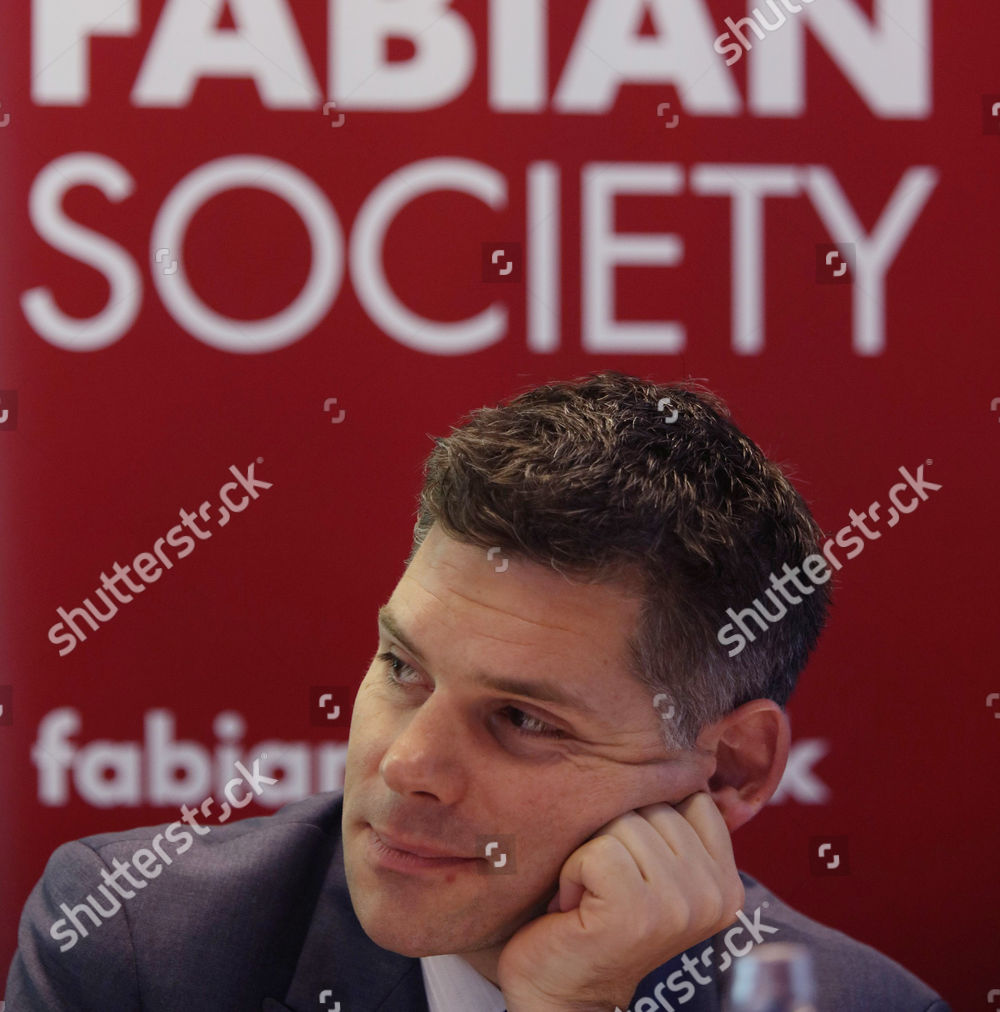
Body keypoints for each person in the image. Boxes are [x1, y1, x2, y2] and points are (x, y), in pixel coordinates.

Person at [5, 371, 951, 1011]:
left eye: (524, 720)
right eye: (402, 668)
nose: (406, 765)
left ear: (731, 771)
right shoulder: (138, 949)